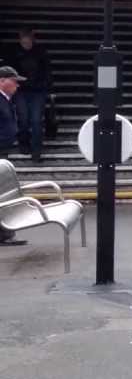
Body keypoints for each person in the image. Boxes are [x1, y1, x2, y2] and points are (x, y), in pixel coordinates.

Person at [12, 28, 51, 163]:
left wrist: (48, 88)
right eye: (24, 43)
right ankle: (24, 143)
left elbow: (47, 72)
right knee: (23, 119)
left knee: (35, 121)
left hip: (37, 90)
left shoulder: (41, 53)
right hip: (21, 90)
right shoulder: (14, 53)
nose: (26, 45)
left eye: (28, 43)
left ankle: (36, 151)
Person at [0, 66, 26, 246]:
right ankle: (3, 234)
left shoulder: (6, 99)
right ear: (2, 81)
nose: (17, 84)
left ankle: (4, 233)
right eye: (14, 80)